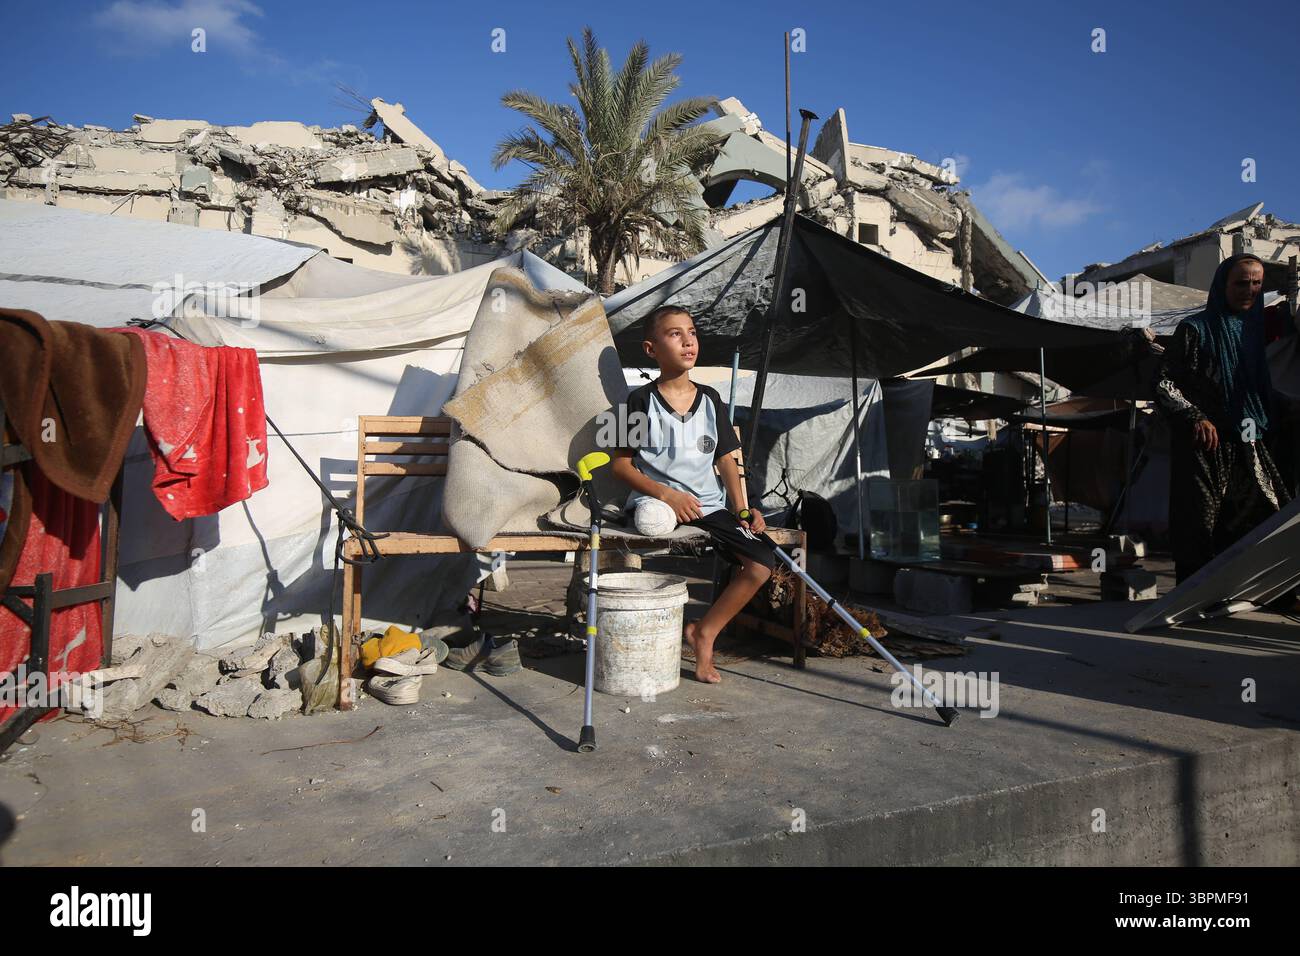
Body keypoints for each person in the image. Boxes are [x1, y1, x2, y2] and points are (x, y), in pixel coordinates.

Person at [610, 305, 774, 683]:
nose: (687, 341)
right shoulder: (637, 401)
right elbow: (619, 465)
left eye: (692, 332)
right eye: (674, 334)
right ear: (651, 349)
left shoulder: (712, 398)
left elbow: (727, 460)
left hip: (708, 505)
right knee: (654, 520)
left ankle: (705, 632)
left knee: (761, 563)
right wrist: (667, 495)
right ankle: (695, 636)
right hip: (657, 504)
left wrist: (744, 509)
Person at [1154, 254, 1292, 582]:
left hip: (1249, 436)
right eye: (1241, 283)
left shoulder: (1253, 331)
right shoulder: (1195, 330)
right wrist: (1194, 416)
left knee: (1269, 513)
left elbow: (1256, 388)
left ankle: (1266, 591)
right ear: (1223, 286)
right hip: (1205, 444)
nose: (1250, 290)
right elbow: (1163, 383)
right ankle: (1192, 599)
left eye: (1257, 284)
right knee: (1200, 522)